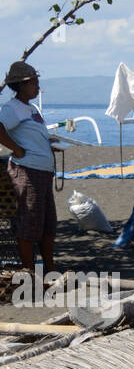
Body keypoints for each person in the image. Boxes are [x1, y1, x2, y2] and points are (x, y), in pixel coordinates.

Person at [0, 60, 59, 274]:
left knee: (47, 223)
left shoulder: (30, 108)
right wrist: (16, 150)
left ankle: (49, 268)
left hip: (41, 171)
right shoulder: (12, 108)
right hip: (27, 170)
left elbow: (30, 134)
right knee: (30, 220)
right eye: (33, 82)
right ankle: (29, 271)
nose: (37, 86)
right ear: (21, 85)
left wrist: (46, 144)